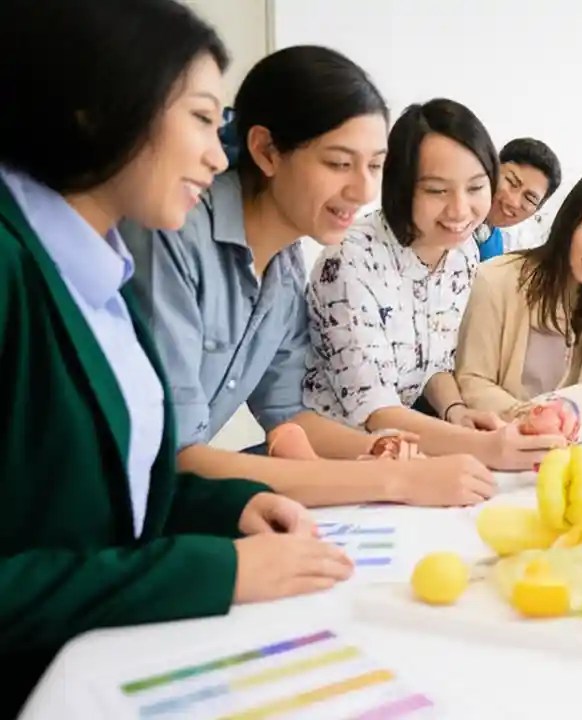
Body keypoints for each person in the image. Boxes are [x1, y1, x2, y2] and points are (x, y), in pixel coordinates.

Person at [0, 0, 351, 712]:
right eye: (199, 117)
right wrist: (212, 571)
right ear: (95, 105)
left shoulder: (103, 272)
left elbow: (107, 504)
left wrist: (232, 510)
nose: (216, 156)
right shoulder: (13, 268)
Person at [121, 46, 497, 508]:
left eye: (374, 166)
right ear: (265, 150)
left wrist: (386, 454)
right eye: (339, 163)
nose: (362, 191)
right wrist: (392, 481)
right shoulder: (176, 234)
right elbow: (174, 458)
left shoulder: (284, 262)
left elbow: (288, 412)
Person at [302, 98, 562, 477]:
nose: (460, 210)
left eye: (475, 188)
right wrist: (486, 447)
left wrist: (456, 412)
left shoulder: (463, 255)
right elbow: (374, 410)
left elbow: (434, 363)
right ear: (402, 187)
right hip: (332, 461)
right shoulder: (349, 260)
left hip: (405, 453)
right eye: (438, 191)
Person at [455, 167, 582, 425]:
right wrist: (529, 418)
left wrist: (561, 409)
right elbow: (472, 381)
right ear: (571, 221)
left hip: (576, 448)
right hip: (501, 440)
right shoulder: (495, 280)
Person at [474, 137, 562, 260]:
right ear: (492, 169)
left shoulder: (500, 248)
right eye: (511, 181)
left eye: (530, 199)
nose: (513, 202)